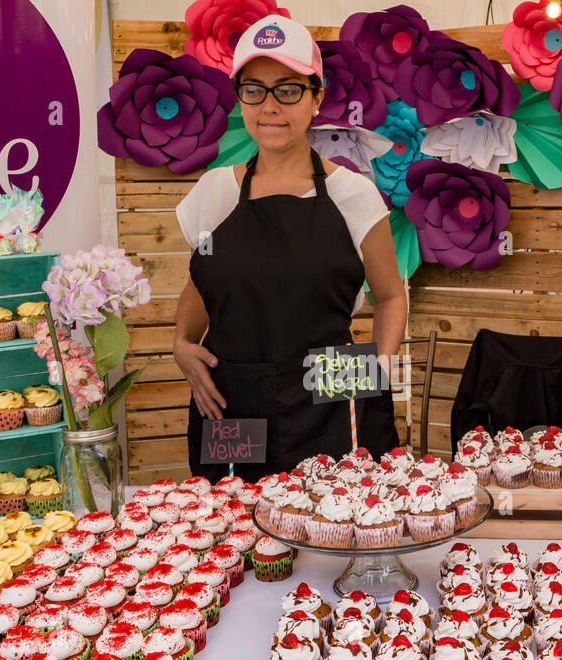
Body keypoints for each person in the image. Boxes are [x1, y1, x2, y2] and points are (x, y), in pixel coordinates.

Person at [173, 14, 406, 480]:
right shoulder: (214, 192)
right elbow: (205, 286)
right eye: (254, 89)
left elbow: (390, 296)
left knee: (337, 525)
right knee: (236, 527)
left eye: (289, 88)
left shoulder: (353, 194)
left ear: (317, 97)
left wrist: (373, 374)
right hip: (233, 400)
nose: (270, 106)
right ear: (240, 98)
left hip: (332, 390)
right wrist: (180, 345)